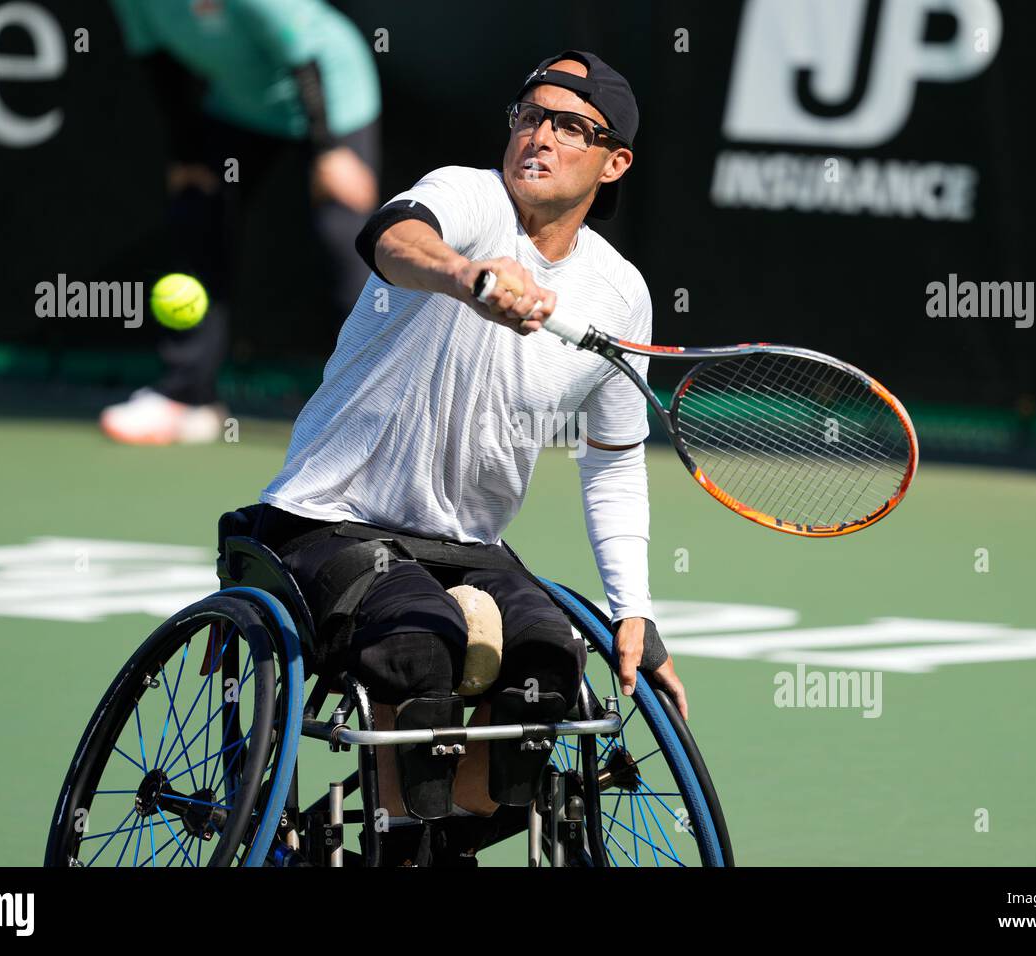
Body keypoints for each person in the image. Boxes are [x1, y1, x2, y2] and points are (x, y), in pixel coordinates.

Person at [251, 49, 687, 864]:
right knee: (422, 647)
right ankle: (384, 838)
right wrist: (466, 275)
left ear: (614, 161)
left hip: (467, 547)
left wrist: (635, 609)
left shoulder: (620, 293)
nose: (541, 136)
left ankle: (405, 841)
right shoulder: (468, 198)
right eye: (530, 115)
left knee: (547, 666)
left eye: (571, 127)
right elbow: (390, 237)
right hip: (325, 521)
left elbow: (614, 461)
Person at [100, 0, 381, 444]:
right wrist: (187, 156)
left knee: (343, 235)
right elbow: (159, 65)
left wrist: (329, 151)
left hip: (333, 93)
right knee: (199, 213)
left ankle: (373, 406)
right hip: (244, 104)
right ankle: (188, 396)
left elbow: (303, 55)